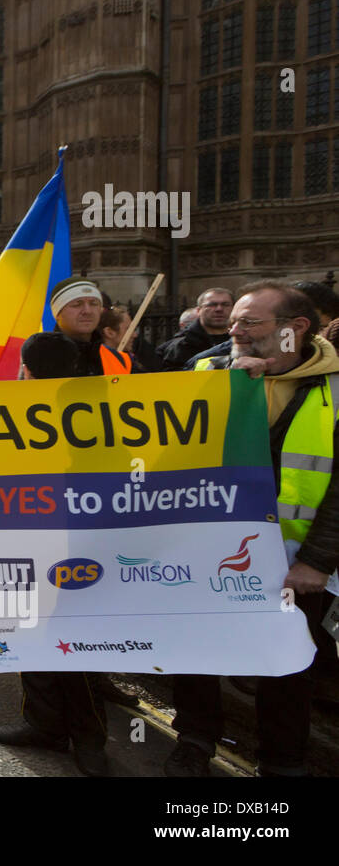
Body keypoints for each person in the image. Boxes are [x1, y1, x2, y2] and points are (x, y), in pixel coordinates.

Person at [166, 281, 339, 776]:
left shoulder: (335, 387)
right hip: (206, 552)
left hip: (293, 563)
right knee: (195, 651)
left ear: (295, 329)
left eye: (249, 322)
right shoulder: (205, 371)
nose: (233, 329)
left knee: (287, 666)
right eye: (234, 320)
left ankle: (282, 761)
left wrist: (315, 561)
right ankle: (195, 740)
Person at [0, 329, 111, 776]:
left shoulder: (82, 408)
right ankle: (44, 724)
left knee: (71, 644)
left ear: (27, 369)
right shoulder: (12, 410)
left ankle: (88, 737)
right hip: (40, 540)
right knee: (39, 637)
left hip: (71, 545)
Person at [156, 288, 232, 371]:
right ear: (198, 311)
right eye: (211, 305)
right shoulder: (181, 347)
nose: (219, 309)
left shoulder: (243, 341)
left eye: (225, 304)